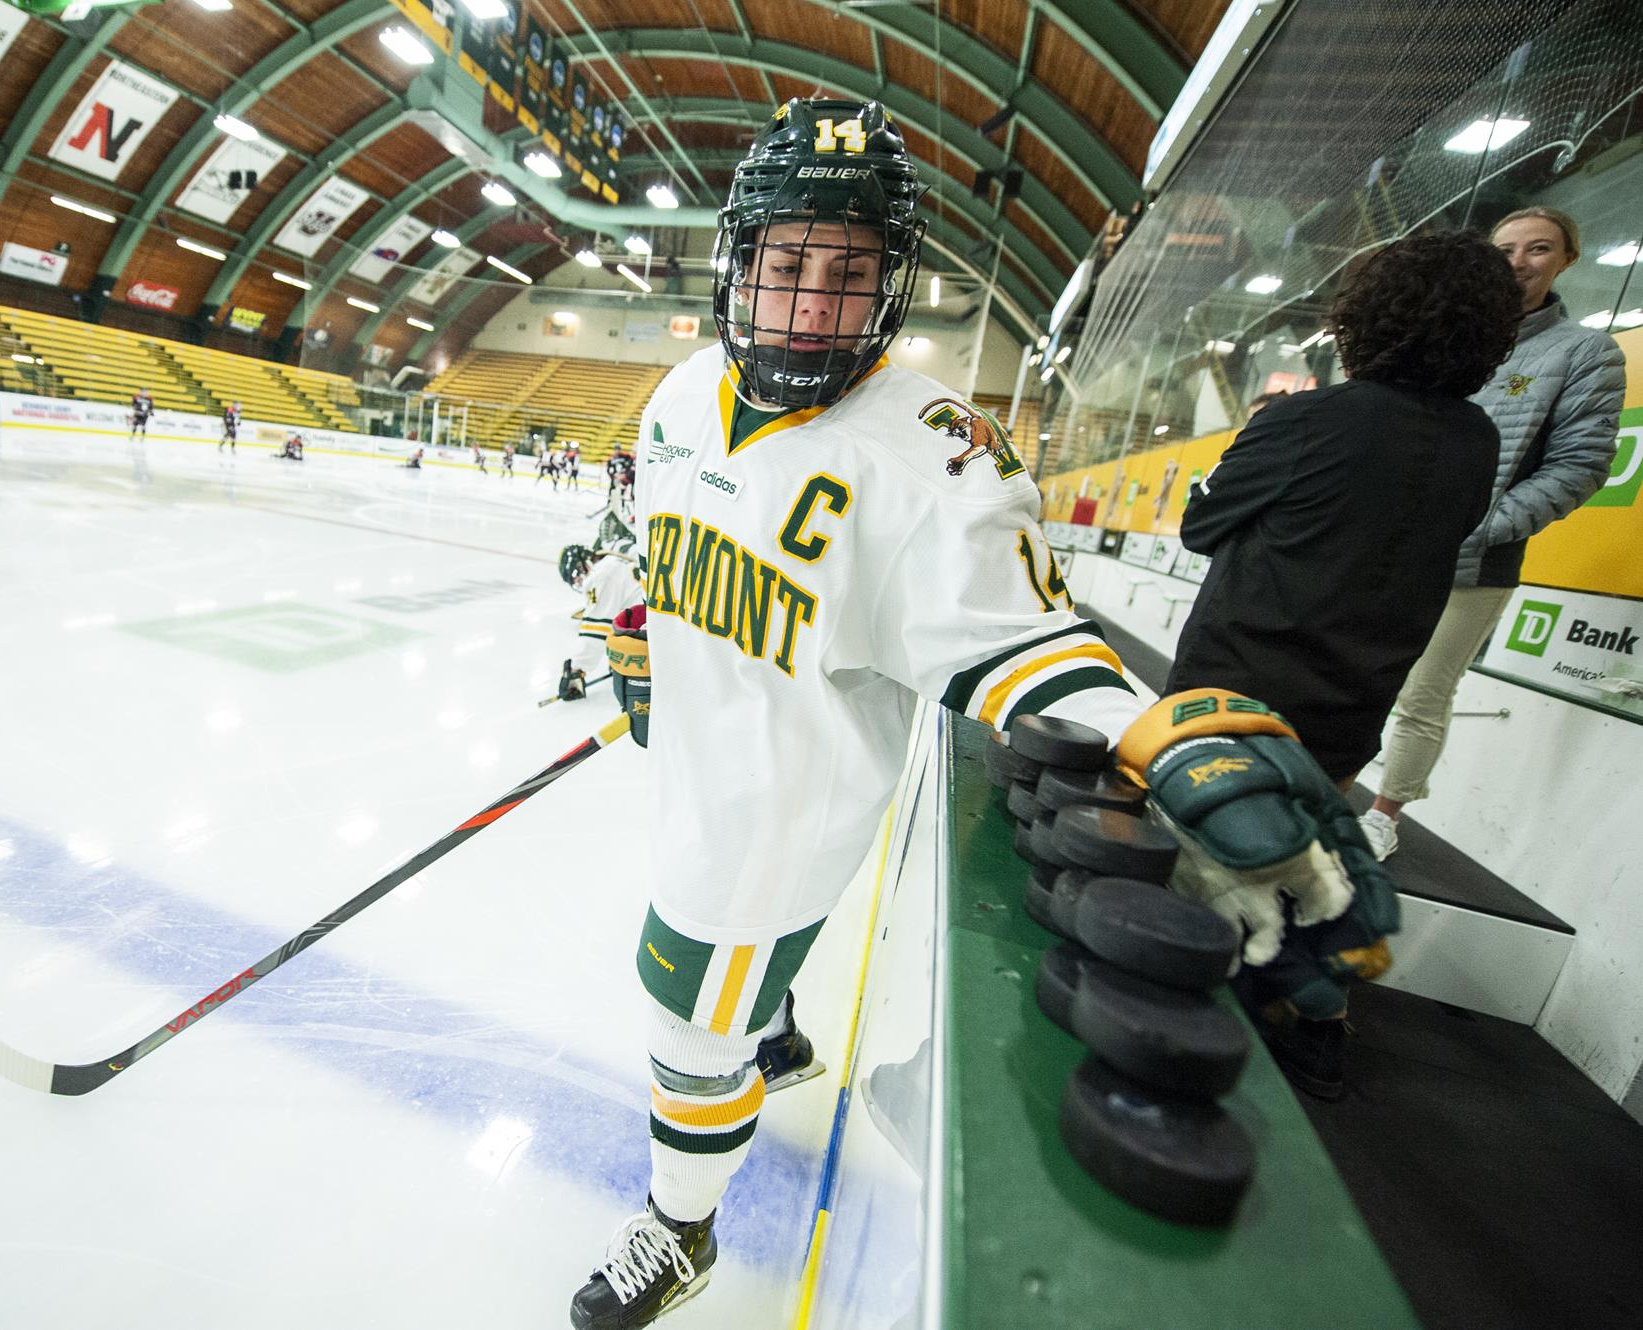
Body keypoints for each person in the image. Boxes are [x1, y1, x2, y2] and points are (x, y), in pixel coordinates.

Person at [568, 99, 1401, 1328]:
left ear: (892, 286)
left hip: (775, 814)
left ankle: (678, 1224)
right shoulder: (683, 390)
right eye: (788, 265)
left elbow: (1022, 638)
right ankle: (776, 1033)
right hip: (703, 759)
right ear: (738, 260)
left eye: (848, 276)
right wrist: (635, 623)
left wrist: (1151, 737)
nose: (810, 306)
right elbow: (655, 535)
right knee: (745, 979)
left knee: (686, 1015)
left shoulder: (932, 455)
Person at [1165, 231, 1523, 787]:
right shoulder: (1479, 438)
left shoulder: (1306, 418)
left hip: (1232, 698)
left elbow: (1199, 525)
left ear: (1368, 315)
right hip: (1355, 713)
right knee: (1306, 837)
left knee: (1189, 831)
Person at [1360, 206, 1626, 859]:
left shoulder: (1585, 351)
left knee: (1422, 694)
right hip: (1385, 545)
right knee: (1352, 672)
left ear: (1567, 260)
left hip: (1475, 562)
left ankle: (1383, 816)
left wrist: (1477, 530)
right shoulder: (1444, 339)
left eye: (1539, 248)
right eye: (1506, 248)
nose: (1519, 261)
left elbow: (1579, 467)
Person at [554, 542, 642, 702]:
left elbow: (595, 632)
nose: (579, 581)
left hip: (651, 631)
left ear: (583, 563)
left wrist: (576, 669)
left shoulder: (601, 574)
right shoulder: (613, 563)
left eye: (576, 575)